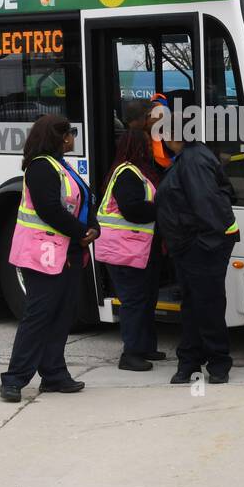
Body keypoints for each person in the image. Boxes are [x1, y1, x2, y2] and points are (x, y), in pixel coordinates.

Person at [1, 115, 98, 403]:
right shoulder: (41, 168)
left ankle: (54, 374)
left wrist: (93, 227)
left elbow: (83, 200)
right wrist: (82, 232)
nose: (73, 138)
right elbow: (50, 210)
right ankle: (14, 379)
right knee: (38, 316)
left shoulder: (61, 166)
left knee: (62, 316)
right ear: (59, 138)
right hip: (43, 253)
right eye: (70, 134)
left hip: (66, 252)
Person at [154, 112, 240, 385]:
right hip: (190, 247)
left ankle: (216, 362)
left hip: (200, 247)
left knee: (207, 306)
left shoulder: (192, 160)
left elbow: (208, 207)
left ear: (173, 135)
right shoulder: (191, 157)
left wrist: (199, 244)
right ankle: (191, 360)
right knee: (193, 305)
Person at [98, 127, 167, 371]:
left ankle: (145, 347)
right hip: (125, 251)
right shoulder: (128, 174)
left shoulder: (138, 172)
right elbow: (133, 209)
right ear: (137, 147)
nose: (151, 147)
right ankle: (131, 354)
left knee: (146, 299)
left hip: (140, 250)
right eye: (147, 144)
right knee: (134, 302)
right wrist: (161, 208)